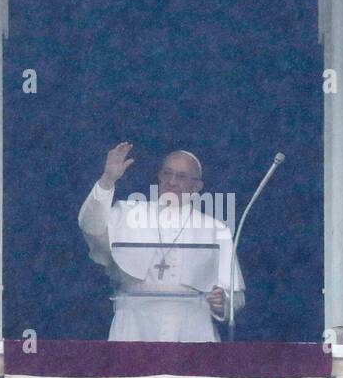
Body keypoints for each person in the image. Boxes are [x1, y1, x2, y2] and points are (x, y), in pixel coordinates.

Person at [78, 142, 245, 342]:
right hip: (133, 325)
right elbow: (90, 227)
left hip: (192, 329)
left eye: (181, 176)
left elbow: (236, 296)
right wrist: (107, 181)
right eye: (167, 174)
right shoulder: (128, 213)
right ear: (159, 177)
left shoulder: (216, 230)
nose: (172, 181)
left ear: (196, 186)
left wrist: (223, 302)